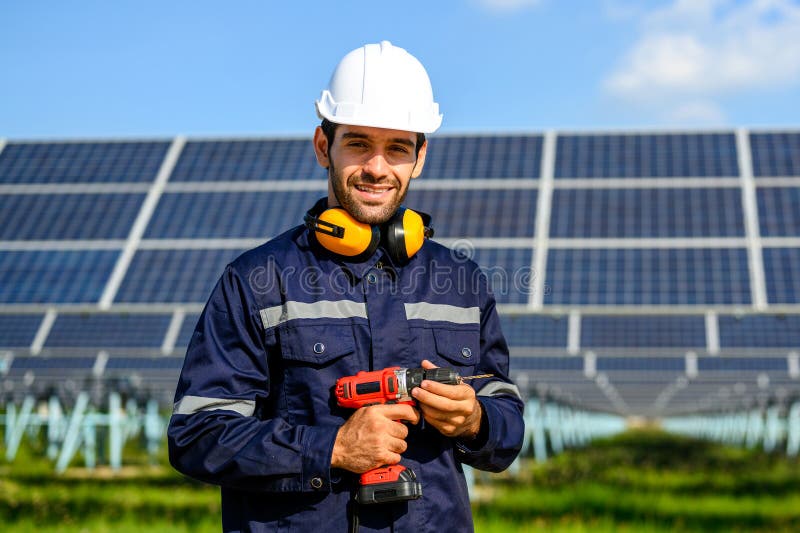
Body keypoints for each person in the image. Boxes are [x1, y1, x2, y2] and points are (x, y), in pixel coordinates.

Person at [168, 40, 524, 533]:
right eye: (358, 143)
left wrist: (475, 420)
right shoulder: (258, 280)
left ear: (419, 158)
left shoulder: (461, 282)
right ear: (323, 147)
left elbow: (507, 425)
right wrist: (331, 449)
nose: (377, 167)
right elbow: (198, 434)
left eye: (397, 147)